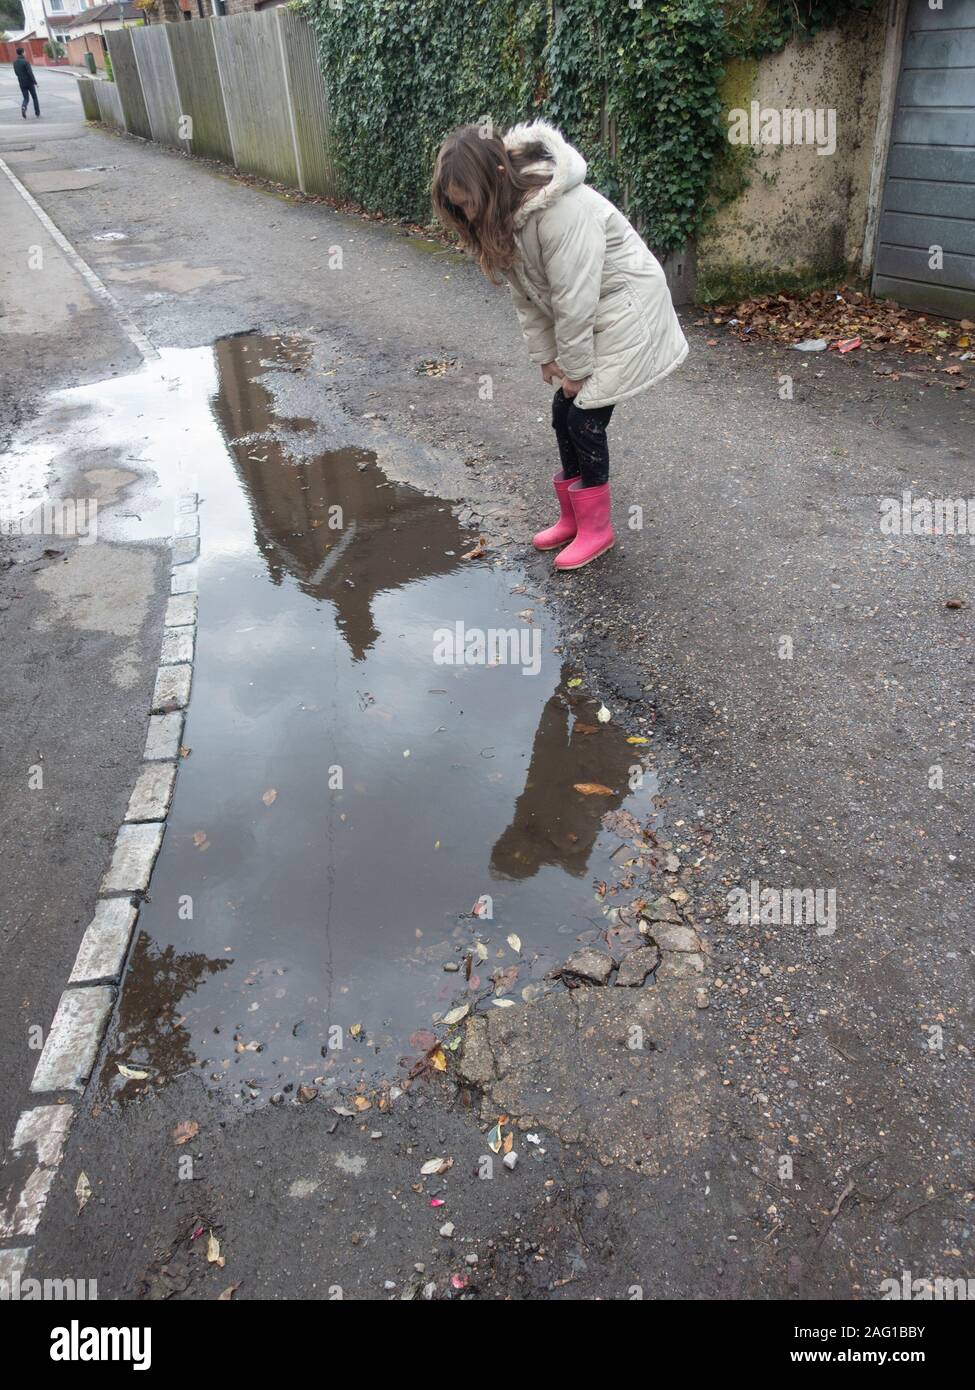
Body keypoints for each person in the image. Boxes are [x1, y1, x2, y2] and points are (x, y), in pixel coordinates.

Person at [433, 120, 687, 570]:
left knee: (585, 418)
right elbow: (528, 297)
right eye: (459, 208)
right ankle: (574, 517)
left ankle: (598, 529)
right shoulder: (506, 219)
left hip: (627, 311)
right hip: (594, 317)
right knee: (561, 412)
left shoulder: (560, 212)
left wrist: (575, 368)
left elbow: (575, 299)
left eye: (470, 204)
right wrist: (547, 358)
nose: (469, 216)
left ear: (493, 178)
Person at [13, 47, 40, 120]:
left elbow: (16, 73)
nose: (25, 52)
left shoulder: (14, 62)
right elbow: (30, 73)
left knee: (26, 98)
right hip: (29, 82)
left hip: (21, 83)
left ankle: (23, 107)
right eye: (24, 51)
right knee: (34, 97)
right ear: (22, 52)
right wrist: (35, 82)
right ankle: (37, 113)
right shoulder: (26, 62)